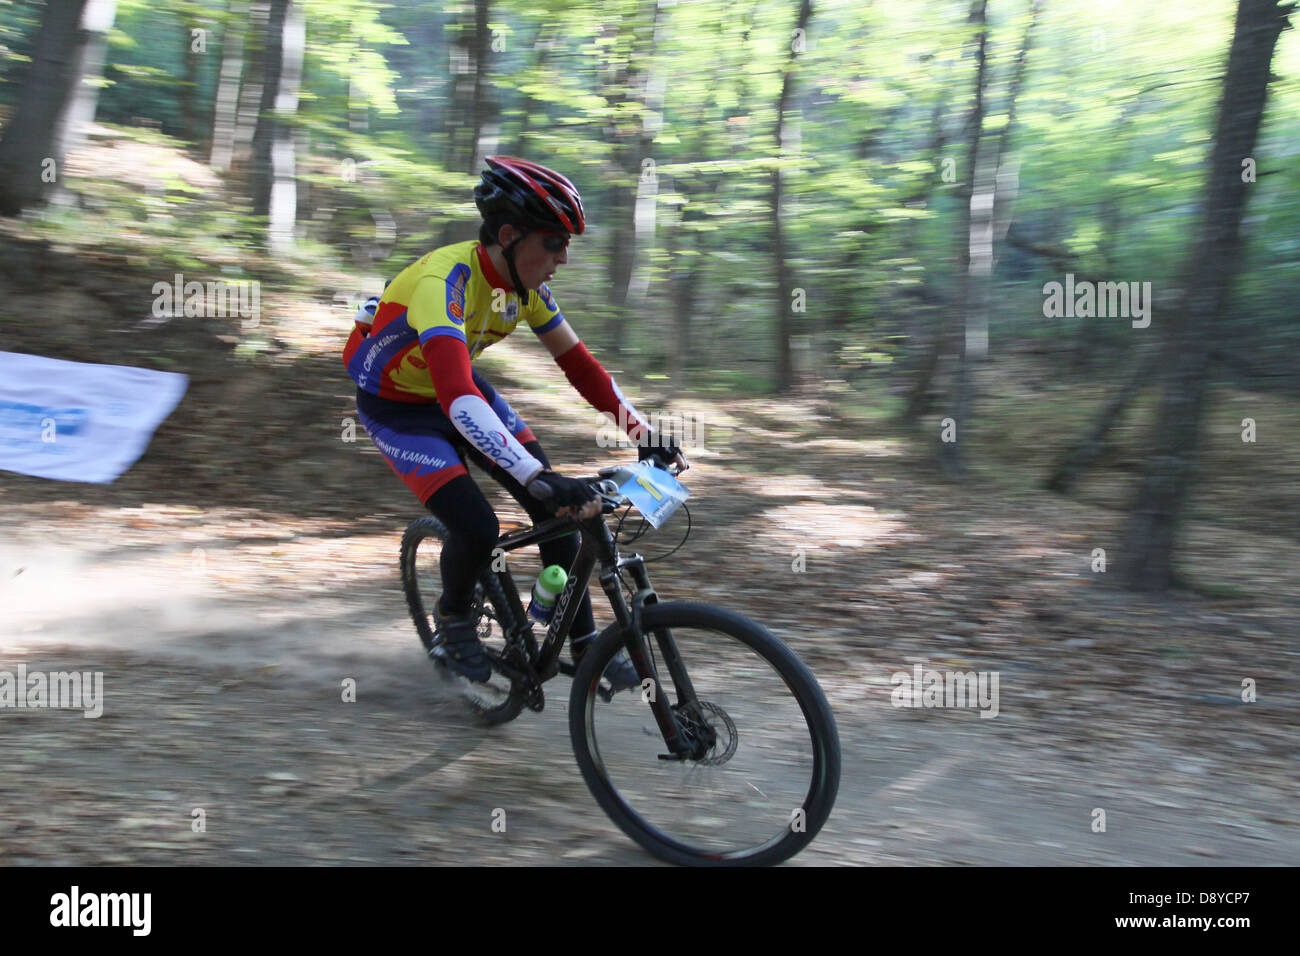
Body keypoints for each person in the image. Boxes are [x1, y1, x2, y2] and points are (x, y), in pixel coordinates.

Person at [343, 155, 686, 686]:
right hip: (399, 410)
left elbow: (581, 367)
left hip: (458, 392)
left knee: (565, 512)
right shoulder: (445, 283)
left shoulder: (525, 291)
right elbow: (457, 395)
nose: (564, 259)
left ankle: (584, 644)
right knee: (477, 525)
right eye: (554, 243)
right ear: (509, 235)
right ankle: (454, 614)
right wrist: (536, 476)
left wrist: (644, 433)